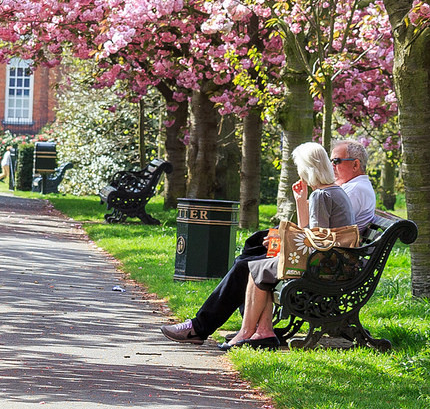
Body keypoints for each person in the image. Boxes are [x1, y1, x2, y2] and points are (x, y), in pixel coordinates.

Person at [160, 141, 357, 349]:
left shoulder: (322, 195)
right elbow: (315, 235)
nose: (298, 171)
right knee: (246, 261)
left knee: (250, 267)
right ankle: (258, 330)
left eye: (299, 166)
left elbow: (315, 241)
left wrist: (283, 241)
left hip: (324, 267)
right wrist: (301, 202)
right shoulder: (331, 192)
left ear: (308, 168)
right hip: (330, 263)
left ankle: (234, 330)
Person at [333, 139, 377, 228]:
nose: (332, 166)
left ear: (355, 165)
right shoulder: (356, 186)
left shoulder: (354, 190)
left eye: (336, 161)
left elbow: (328, 229)